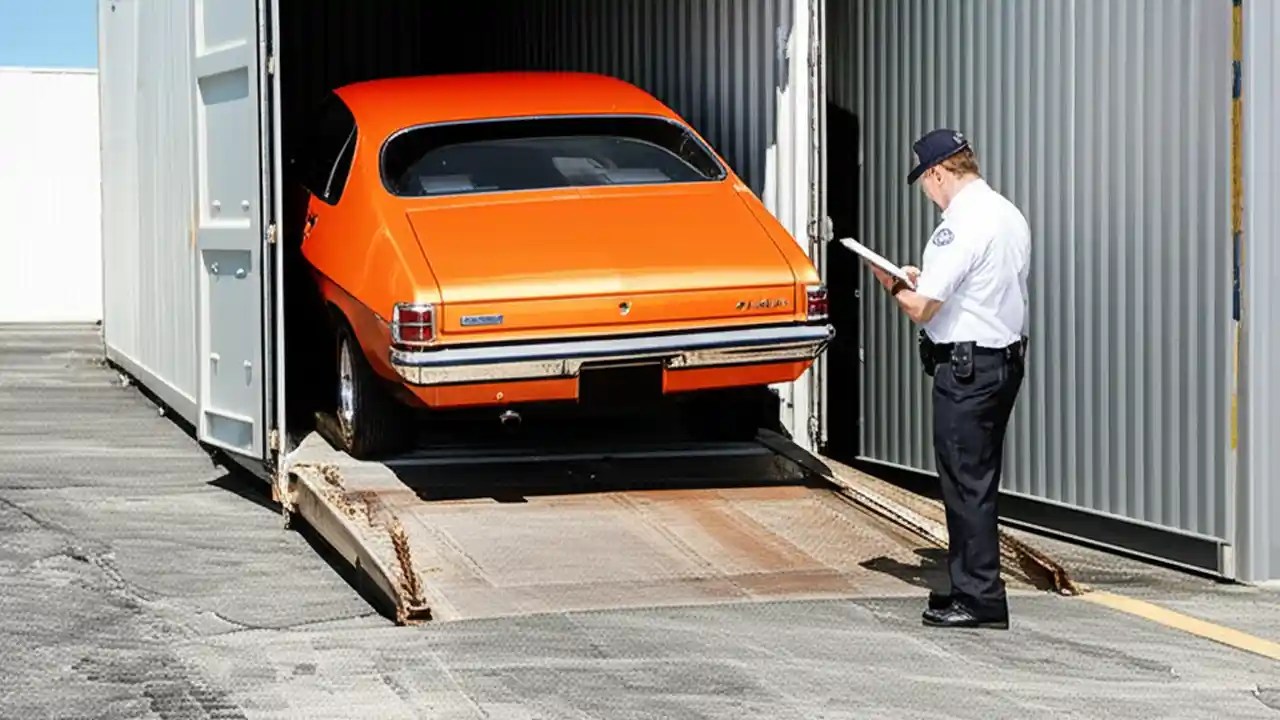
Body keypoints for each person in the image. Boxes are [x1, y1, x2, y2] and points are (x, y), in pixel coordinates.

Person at [866, 128, 1030, 630]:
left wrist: (888, 278)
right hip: (1000, 360)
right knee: (975, 479)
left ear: (938, 172)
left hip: (967, 370)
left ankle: (979, 597)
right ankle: (969, 586)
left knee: (965, 483)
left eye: (925, 182)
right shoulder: (1006, 213)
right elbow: (977, 290)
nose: (928, 193)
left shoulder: (959, 224)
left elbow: (920, 308)